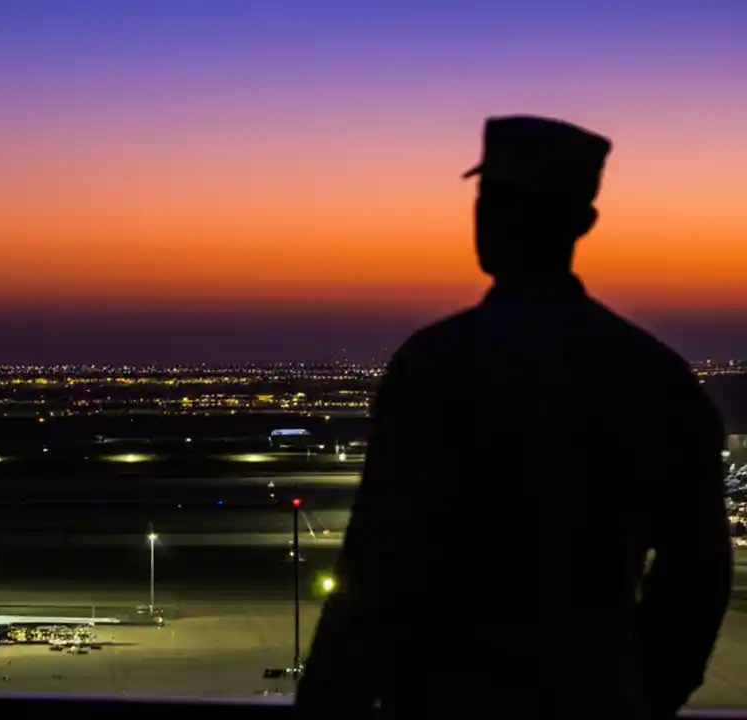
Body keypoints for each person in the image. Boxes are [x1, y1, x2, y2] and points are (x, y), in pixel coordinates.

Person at [295, 116, 731, 719]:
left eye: (501, 201)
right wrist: (639, 699)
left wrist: (328, 704)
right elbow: (697, 574)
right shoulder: (653, 376)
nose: (487, 216)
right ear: (584, 222)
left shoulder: (437, 363)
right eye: (488, 198)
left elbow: (377, 561)